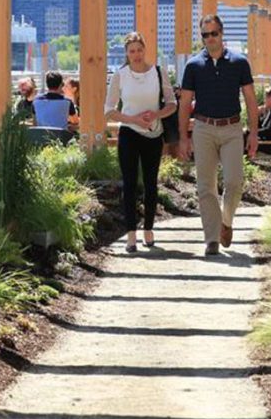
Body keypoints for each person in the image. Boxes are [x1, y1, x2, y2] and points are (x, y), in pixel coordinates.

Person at [179, 15, 259, 256]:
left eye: (214, 33)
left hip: (232, 128)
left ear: (221, 34)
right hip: (203, 128)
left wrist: (253, 133)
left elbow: (251, 100)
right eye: (205, 35)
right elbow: (184, 104)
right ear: (201, 37)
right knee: (206, 186)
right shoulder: (193, 66)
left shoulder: (239, 62)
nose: (210, 39)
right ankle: (211, 238)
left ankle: (226, 221)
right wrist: (183, 137)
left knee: (234, 182)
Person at [105, 32, 177, 253]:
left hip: (153, 134)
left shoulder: (158, 72)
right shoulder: (120, 75)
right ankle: (130, 235)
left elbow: (172, 104)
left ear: (145, 50)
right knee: (129, 184)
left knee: (150, 183)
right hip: (128, 133)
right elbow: (109, 111)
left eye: (139, 49)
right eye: (131, 51)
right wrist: (133, 119)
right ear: (126, 53)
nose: (136, 54)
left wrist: (155, 115)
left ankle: (148, 229)